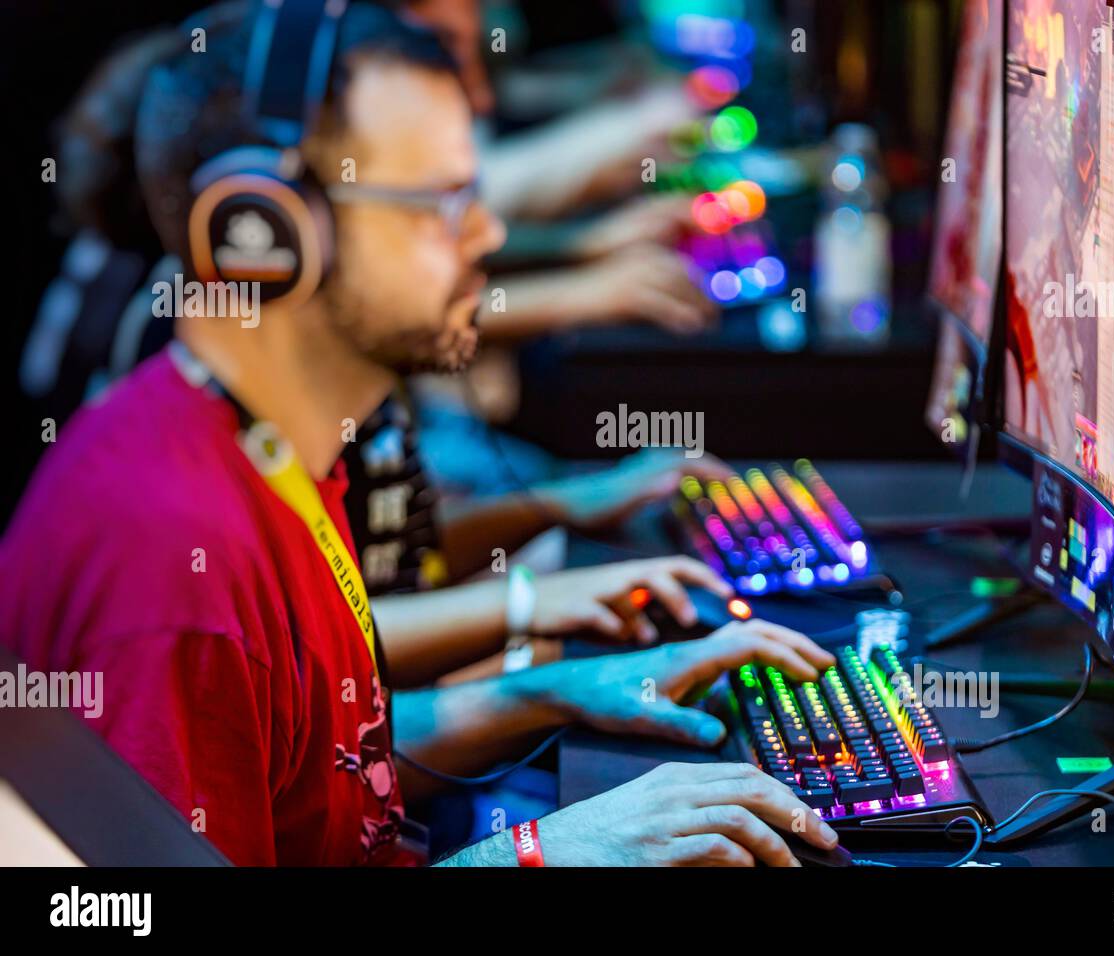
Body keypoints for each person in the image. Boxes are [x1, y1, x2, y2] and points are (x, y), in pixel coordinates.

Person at [0, 1, 837, 867]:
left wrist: (560, 692)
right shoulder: (170, 568)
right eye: (442, 201)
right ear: (264, 237)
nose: (492, 232)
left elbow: (331, 767)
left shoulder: (269, 453)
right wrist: (538, 853)